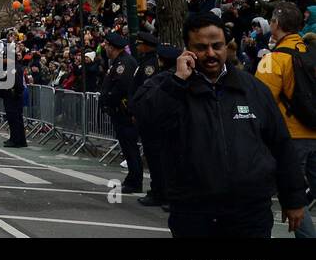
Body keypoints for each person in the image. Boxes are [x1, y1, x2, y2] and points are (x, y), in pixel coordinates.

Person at [133, 13, 308, 237]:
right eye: (201, 47)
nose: (211, 54)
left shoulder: (252, 89)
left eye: (217, 46)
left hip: (250, 214)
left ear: (227, 46)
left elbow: (281, 145)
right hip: (193, 213)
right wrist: (177, 83)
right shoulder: (169, 85)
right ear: (187, 49)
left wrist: (293, 198)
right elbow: (146, 118)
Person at [254, 2, 316, 239]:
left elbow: (261, 100)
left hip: (291, 136)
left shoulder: (274, 59)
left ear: (276, 24)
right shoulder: (311, 51)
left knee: (293, 194)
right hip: (314, 130)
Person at [99, 32, 143, 194]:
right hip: (119, 111)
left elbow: (121, 87)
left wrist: (108, 99)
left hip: (124, 111)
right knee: (127, 147)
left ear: (113, 47)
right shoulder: (119, 61)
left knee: (130, 147)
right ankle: (132, 178)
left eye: (107, 46)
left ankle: (134, 180)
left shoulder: (124, 63)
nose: (105, 49)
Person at [129, 33, 165, 206]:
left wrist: (139, 111)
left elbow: (146, 91)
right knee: (152, 156)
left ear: (147, 45)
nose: (138, 47)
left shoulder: (150, 65)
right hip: (146, 115)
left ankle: (159, 191)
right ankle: (157, 189)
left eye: (140, 44)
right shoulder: (145, 61)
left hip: (150, 116)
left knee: (155, 156)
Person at [0, 43, 27, 148]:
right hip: (11, 96)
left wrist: (14, 93)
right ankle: (16, 138)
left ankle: (17, 140)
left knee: (15, 119)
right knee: (14, 119)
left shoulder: (14, 68)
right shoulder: (12, 67)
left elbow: (17, 83)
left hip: (13, 97)